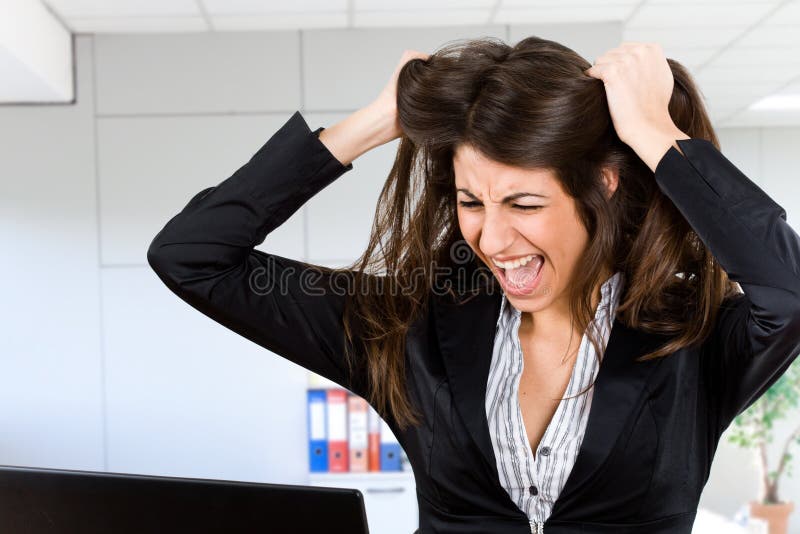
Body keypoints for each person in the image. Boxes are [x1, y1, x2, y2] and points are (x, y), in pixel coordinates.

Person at [147, 36, 800, 533]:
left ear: (601, 185)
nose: (490, 239)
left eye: (522, 203)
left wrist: (654, 134)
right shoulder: (404, 330)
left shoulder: (692, 338)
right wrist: (376, 120)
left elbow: (788, 292)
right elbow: (193, 257)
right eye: (471, 202)